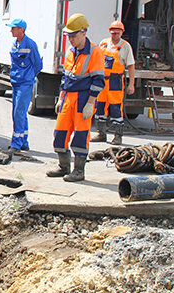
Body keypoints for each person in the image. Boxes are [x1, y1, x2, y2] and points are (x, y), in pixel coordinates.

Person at [47, 13, 105, 182]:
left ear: (83, 32)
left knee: (80, 135)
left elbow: (98, 80)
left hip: (83, 99)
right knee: (60, 133)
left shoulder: (95, 52)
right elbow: (66, 78)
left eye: (73, 35)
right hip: (68, 98)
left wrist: (90, 103)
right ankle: (63, 166)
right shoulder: (70, 52)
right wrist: (61, 97)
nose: (70, 39)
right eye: (68, 36)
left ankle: (79, 170)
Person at [92, 20, 135, 146]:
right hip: (102, 81)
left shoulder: (125, 46)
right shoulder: (104, 43)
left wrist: (131, 84)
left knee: (116, 108)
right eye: (113, 33)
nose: (114, 35)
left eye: (117, 33)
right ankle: (101, 133)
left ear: (121, 33)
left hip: (115, 82)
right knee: (100, 107)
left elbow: (131, 66)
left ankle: (117, 136)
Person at [7, 18, 43, 152]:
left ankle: (16, 144)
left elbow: (38, 64)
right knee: (18, 112)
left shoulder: (30, 44)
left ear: (21, 30)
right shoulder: (14, 44)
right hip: (16, 82)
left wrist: (28, 76)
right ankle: (23, 141)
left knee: (19, 113)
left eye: (13, 28)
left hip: (24, 83)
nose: (11, 30)